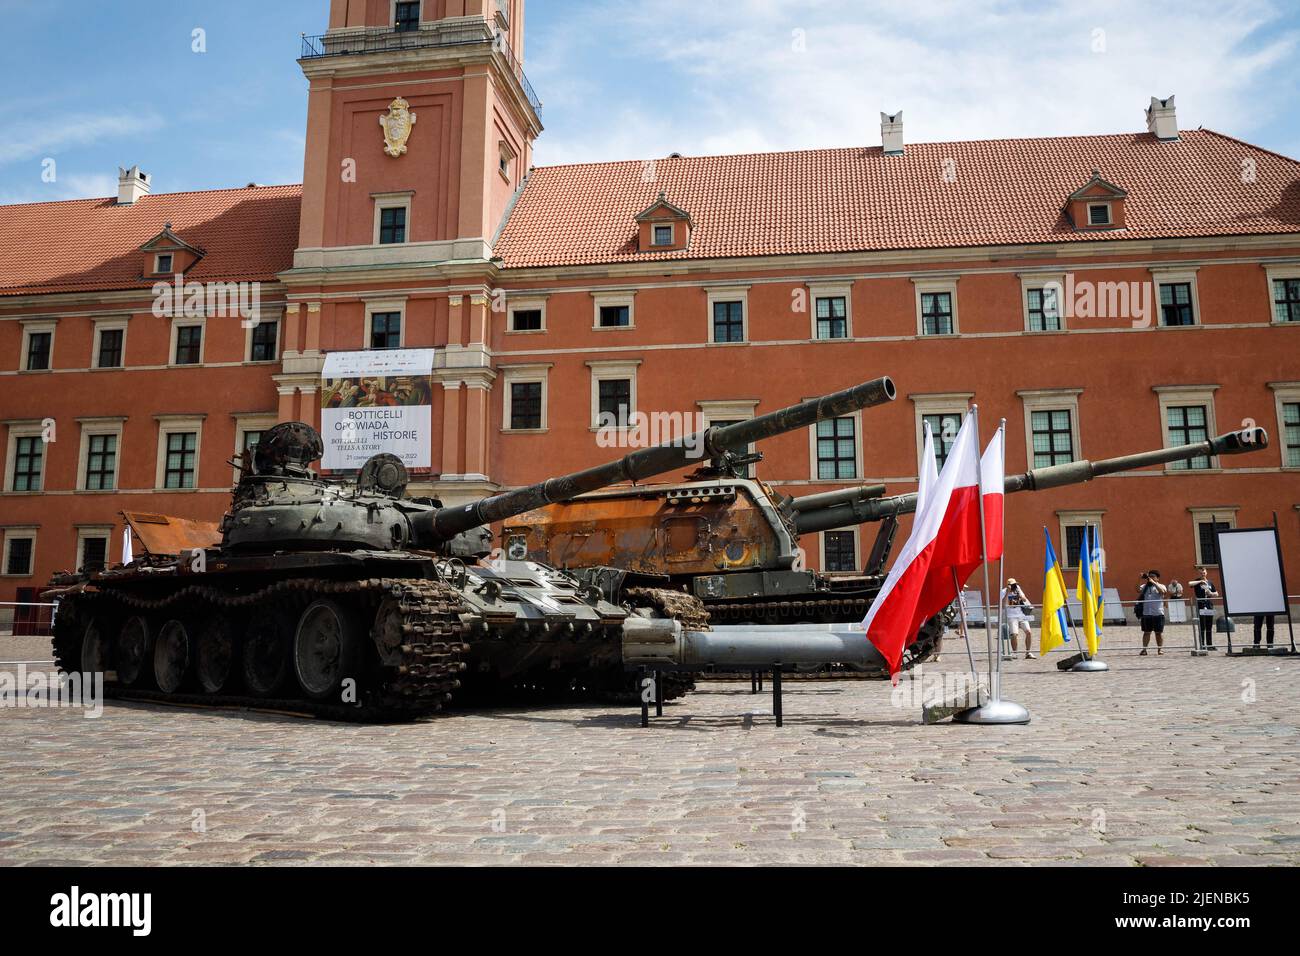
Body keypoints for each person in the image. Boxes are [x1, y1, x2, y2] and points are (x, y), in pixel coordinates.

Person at [1000, 578, 1035, 659]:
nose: (1013, 586)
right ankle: (1015, 653)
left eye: (1014, 584)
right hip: (1011, 616)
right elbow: (1003, 604)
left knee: (1029, 632)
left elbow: (1024, 599)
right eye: (1012, 585)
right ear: (1008, 585)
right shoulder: (1003, 591)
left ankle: (1028, 652)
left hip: (1021, 614)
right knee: (1014, 634)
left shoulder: (1018, 588)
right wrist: (1007, 593)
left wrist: (1019, 594)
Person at [1136, 569, 1168, 655]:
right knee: (1146, 632)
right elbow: (1137, 589)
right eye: (1149, 576)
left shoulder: (1161, 586)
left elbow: (1163, 591)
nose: (1150, 578)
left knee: (1158, 633)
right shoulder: (1145, 586)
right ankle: (1144, 649)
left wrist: (1153, 583)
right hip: (1147, 613)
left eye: (1153, 576)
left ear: (1158, 578)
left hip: (1158, 613)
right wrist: (1139, 578)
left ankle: (1160, 649)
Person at [1188, 567, 1219, 650]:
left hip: (1209, 605)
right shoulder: (1197, 581)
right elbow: (1189, 583)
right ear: (1199, 573)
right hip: (1200, 605)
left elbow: (1216, 593)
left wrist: (1211, 593)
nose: (1203, 574)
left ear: (1206, 573)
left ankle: (1209, 645)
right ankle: (1202, 644)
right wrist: (1200, 581)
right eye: (1201, 573)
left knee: (1209, 625)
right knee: (1202, 625)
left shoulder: (1210, 582)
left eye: (1204, 572)